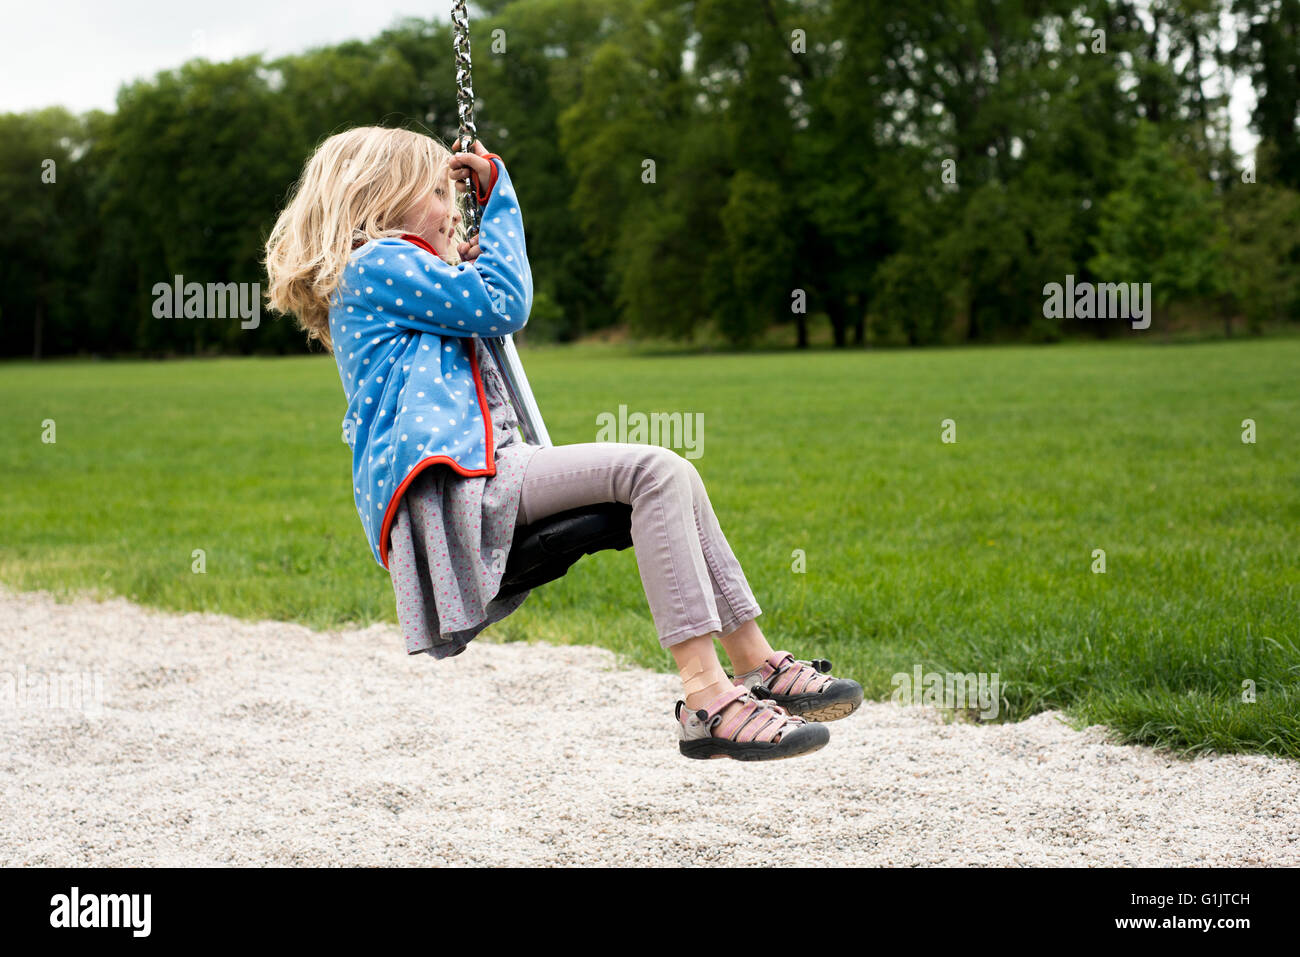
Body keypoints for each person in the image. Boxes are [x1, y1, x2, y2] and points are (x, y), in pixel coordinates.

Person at [264, 126, 863, 760]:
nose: (452, 207)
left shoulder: (391, 275)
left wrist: (468, 251)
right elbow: (504, 301)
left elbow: (483, 310)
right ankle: (707, 696)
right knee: (655, 471)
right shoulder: (375, 265)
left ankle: (755, 661)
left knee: (672, 473)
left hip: (486, 471)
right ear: (381, 199)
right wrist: (499, 198)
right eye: (438, 192)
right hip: (457, 490)